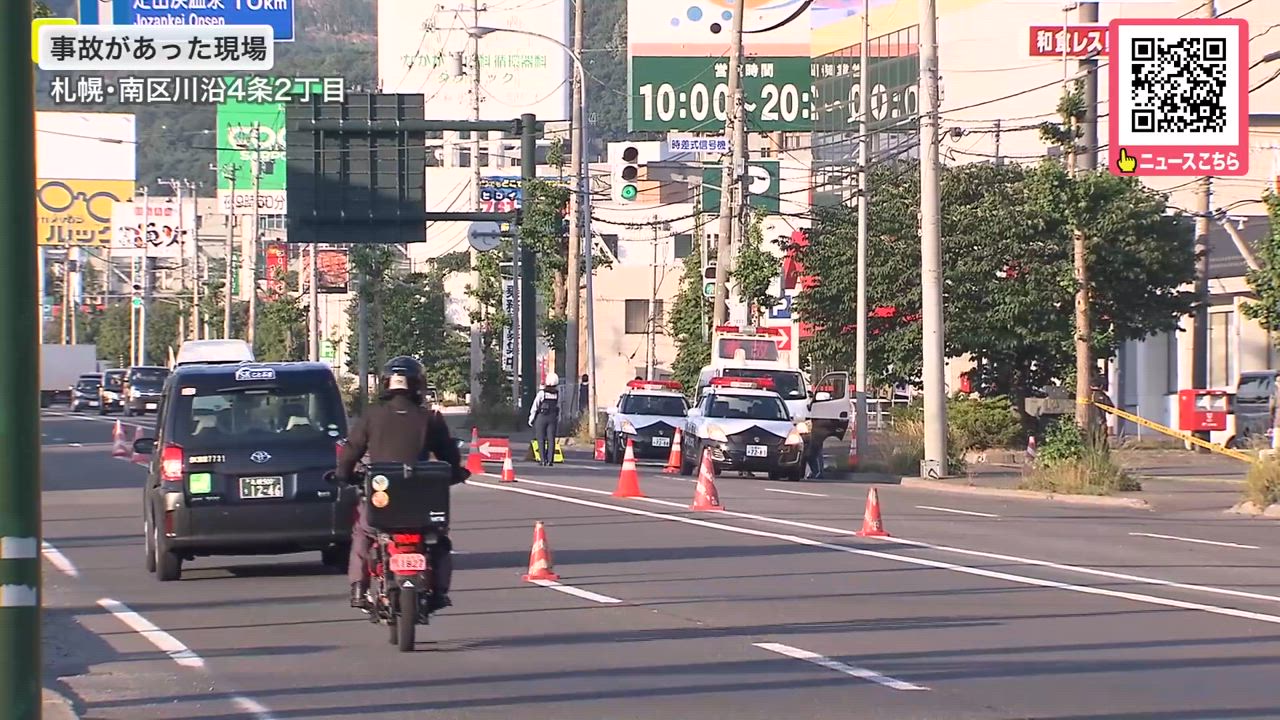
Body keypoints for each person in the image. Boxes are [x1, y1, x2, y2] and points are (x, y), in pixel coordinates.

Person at [336, 355, 466, 612]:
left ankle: (359, 589)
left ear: (386, 384)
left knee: (363, 532)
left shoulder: (372, 417)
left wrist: (343, 475)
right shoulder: (430, 418)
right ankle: (439, 591)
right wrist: (455, 474)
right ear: (418, 384)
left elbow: (351, 451)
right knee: (439, 540)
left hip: (382, 499)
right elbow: (450, 458)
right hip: (422, 502)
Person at [528, 372, 560, 467]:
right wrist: (559, 418)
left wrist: (531, 418)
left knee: (540, 439)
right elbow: (559, 406)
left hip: (541, 417)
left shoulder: (542, 393)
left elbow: (535, 406)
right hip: (552, 418)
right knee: (551, 439)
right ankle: (550, 460)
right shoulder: (557, 394)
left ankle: (543, 460)